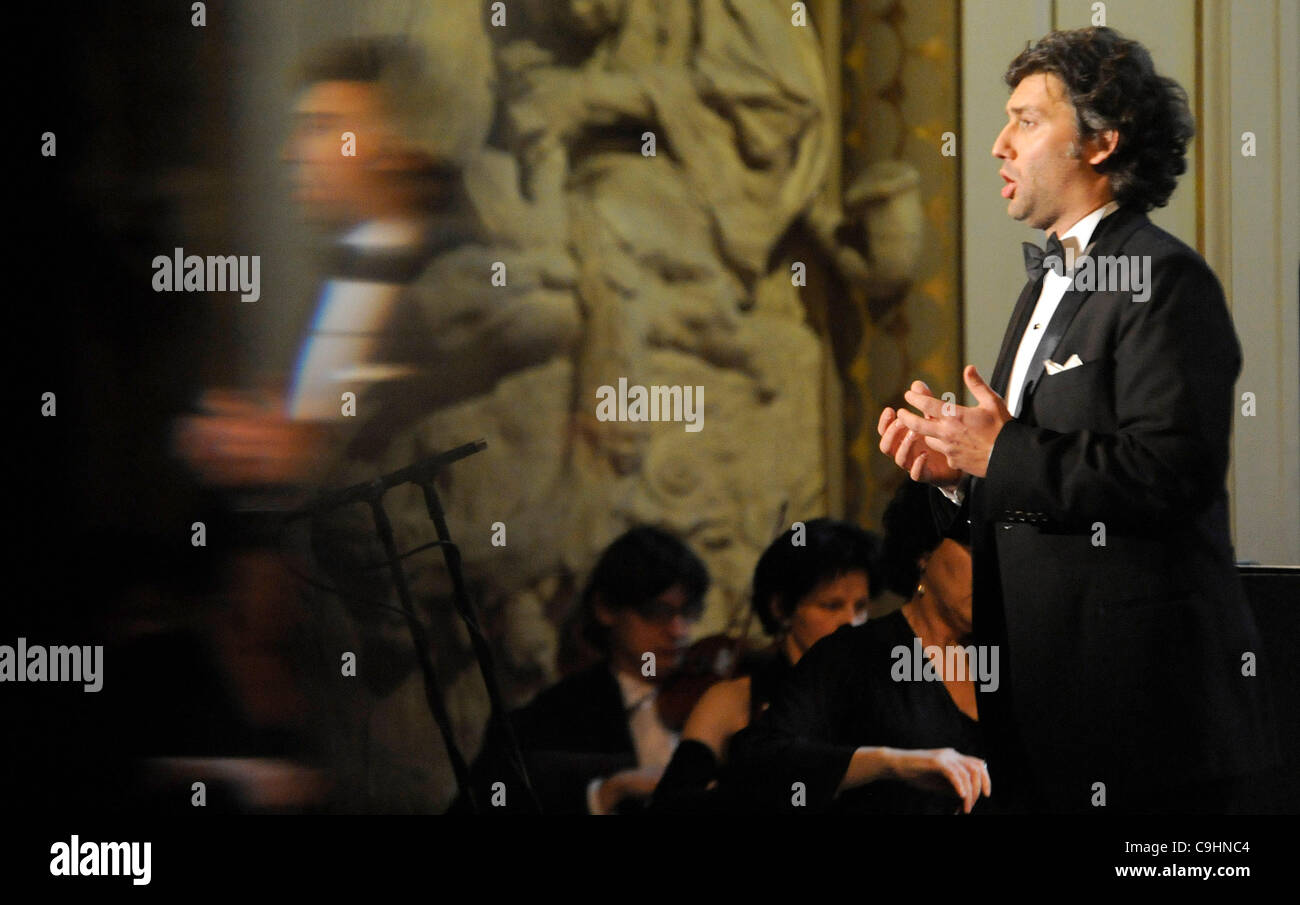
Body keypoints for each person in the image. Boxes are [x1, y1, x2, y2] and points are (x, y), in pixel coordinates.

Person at [877, 27, 1275, 812]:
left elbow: (1170, 472)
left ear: (1100, 142)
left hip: (1143, 729)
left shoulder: (1165, 279)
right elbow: (1032, 475)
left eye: (1026, 119)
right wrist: (958, 475)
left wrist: (1000, 452)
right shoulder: (1046, 284)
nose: (997, 143)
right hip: (1045, 717)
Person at [724, 484, 991, 814]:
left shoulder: (1022, 656)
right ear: (925, 555)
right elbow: (758, 762)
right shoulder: (853, 656)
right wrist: (890, 762)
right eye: (977, 549)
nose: (995, 571)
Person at [465, 526, 708, 814]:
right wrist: (603, 797)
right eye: (656, 612)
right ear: (606, 608)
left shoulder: (712, 697)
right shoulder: (541, 721)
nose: (679, 630)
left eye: (689, 611)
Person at [650, 518, 881, 812]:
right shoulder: (733, 699)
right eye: (831, 606)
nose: (852, 622)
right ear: (781, 608)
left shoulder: (878, 693)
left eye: (860, 607)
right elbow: (670, 804)